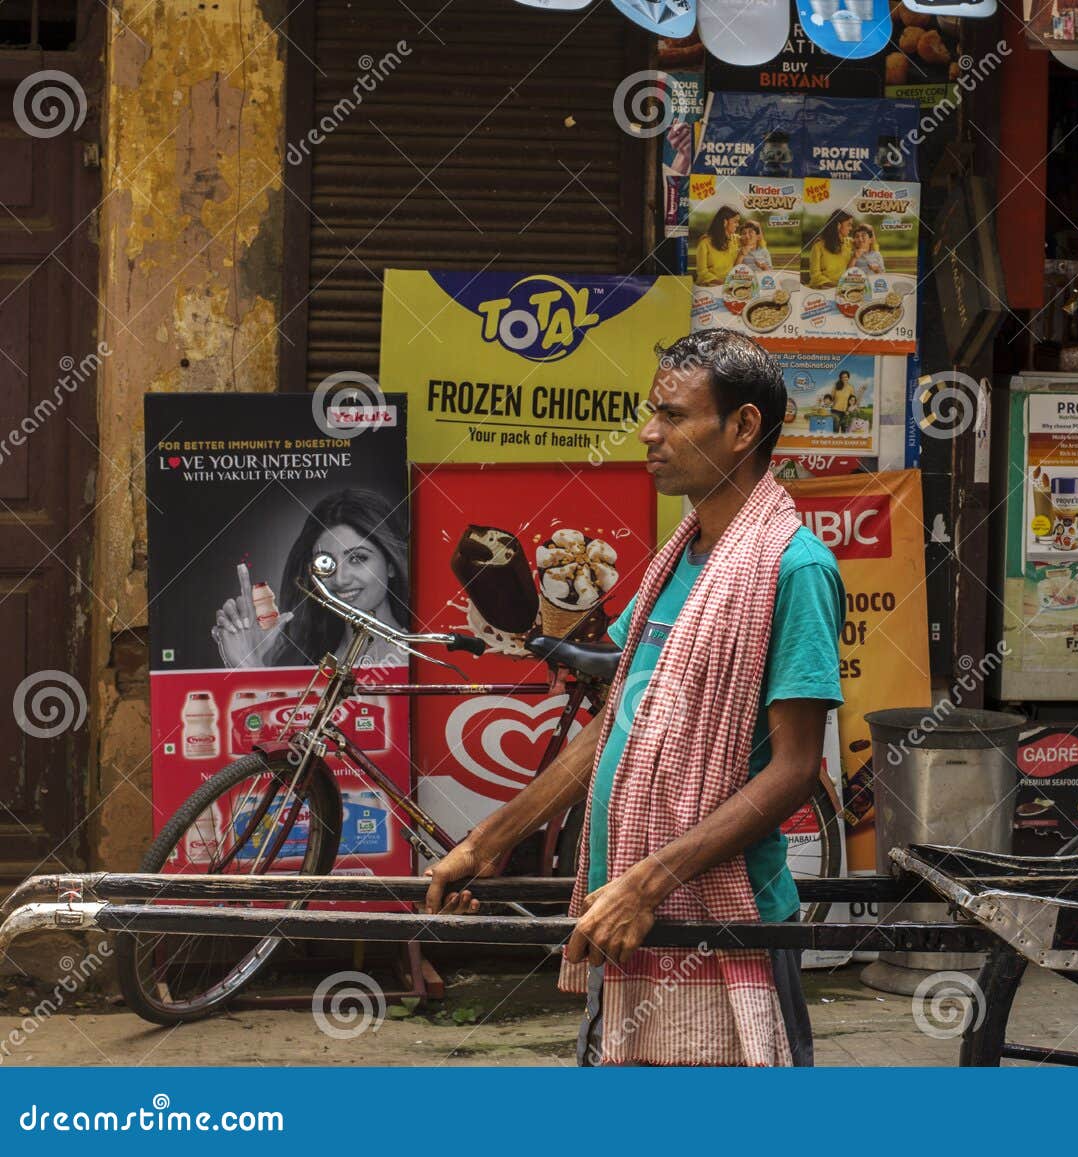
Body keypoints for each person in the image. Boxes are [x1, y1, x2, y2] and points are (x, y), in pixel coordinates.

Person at [424, 331, 845, 1068]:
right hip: (627, 914)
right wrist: (487, 844)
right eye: (652, 412)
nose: (650, 433)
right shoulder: (678, 560)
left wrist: (648, 885)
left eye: (674, 416)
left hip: (723, 919)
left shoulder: (794, 568)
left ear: (744, 427)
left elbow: (795, 770)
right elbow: (620, 723)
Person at [213, 488, 409, 669]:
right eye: (325, 564)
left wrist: (250, 668)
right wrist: (250, 661)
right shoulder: (303, 661)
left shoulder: (415, 657)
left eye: (358, 558)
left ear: (390, 564)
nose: (340, 579)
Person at [694, 206, 741, 286]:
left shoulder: (735, 239)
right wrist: (722, 284)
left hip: (729, 286)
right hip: (709, 286)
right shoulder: (705, 243)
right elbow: (702, 272)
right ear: (725, 222)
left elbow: (754, 238)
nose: (738, 225)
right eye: (735, 222)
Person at [806, 209, 854, 288]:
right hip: (822, 288)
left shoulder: (849, 243)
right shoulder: (819, 245)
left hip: (842, 289)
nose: (851, 228)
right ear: (838, 225)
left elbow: (871, 245)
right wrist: (835, 287)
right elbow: (815, 275)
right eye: (848, 225)